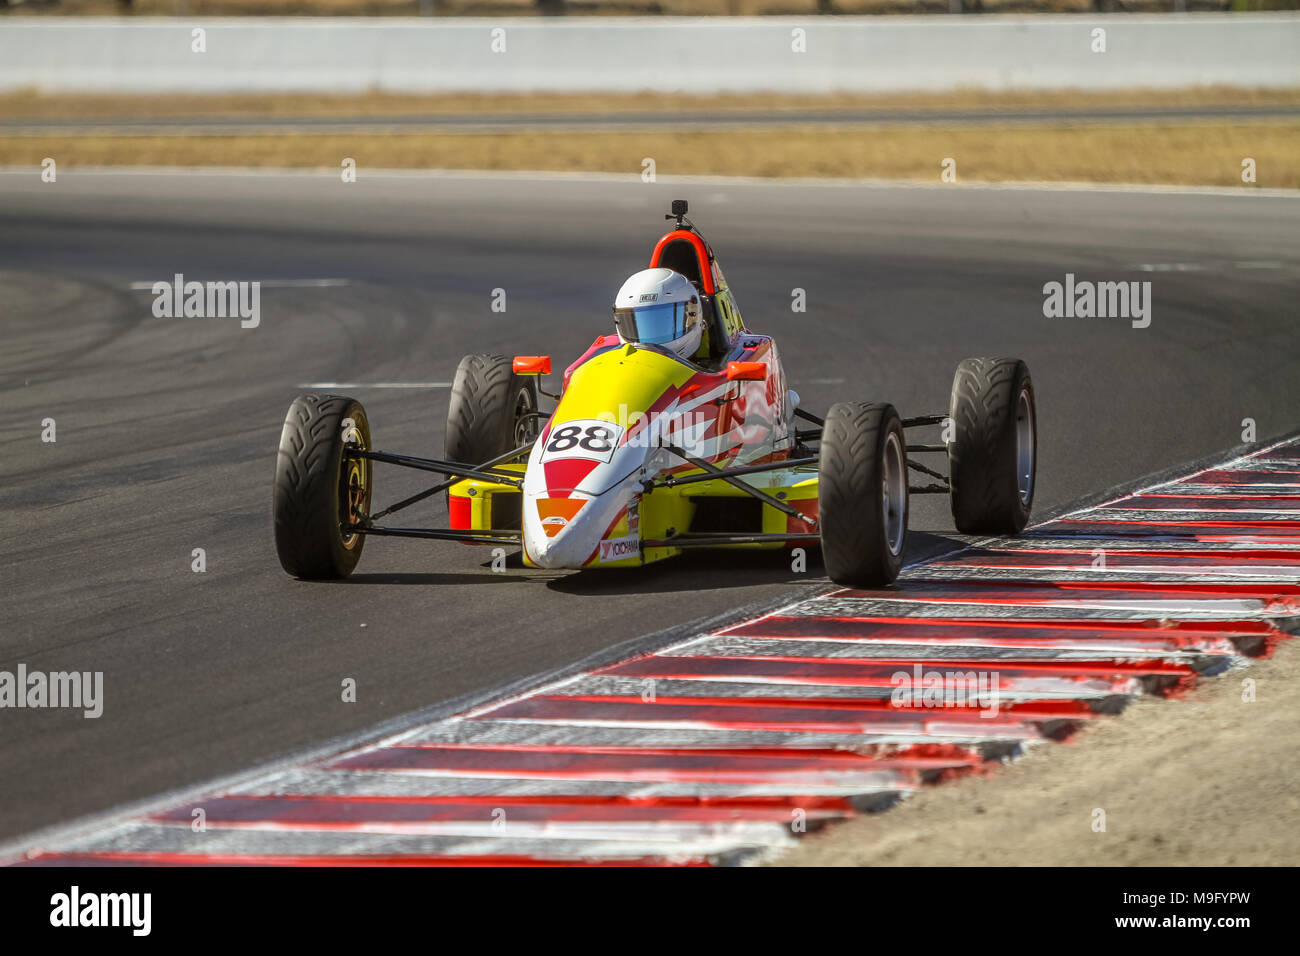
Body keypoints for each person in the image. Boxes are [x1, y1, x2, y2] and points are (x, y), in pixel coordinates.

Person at [611, 268, 702, 361]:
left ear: (693, 315)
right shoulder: (603, 351)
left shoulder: (716, 366)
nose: (650, 344)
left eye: (663, 322)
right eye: (644, 326)